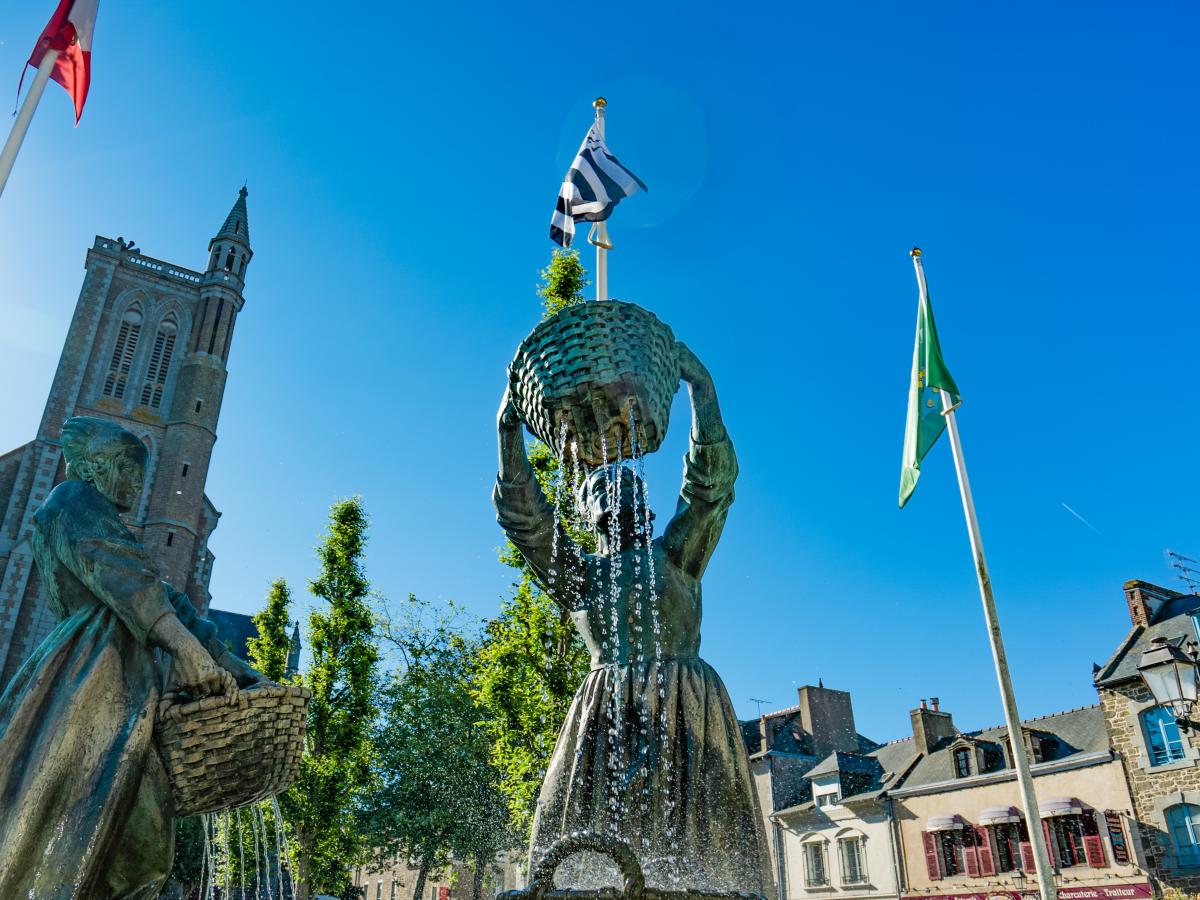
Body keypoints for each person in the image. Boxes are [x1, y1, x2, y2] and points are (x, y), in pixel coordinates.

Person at [495, 343, 773, 896]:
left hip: (685, 703)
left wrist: (702, 388)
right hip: (605, 709)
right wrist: (508, 433)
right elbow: (525, 519)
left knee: (706, 839)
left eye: (631, 486)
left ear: (646, 506)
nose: (621, 489)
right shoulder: (579, 576)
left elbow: (711, 487)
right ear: (588, 511)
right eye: (605, 487)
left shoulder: (676, 554)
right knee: (563, 822)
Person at [0, 416, 266, 899]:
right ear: (91, 467)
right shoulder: (70, 498)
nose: (136, 483)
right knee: (78, 821)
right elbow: (121, 575)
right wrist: (183, 647)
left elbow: (171, 599)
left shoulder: (108, 523)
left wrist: (238, 668)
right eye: (126, 467)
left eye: (140, 472)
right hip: (89, 675)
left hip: (125, 686)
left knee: (142, 842)